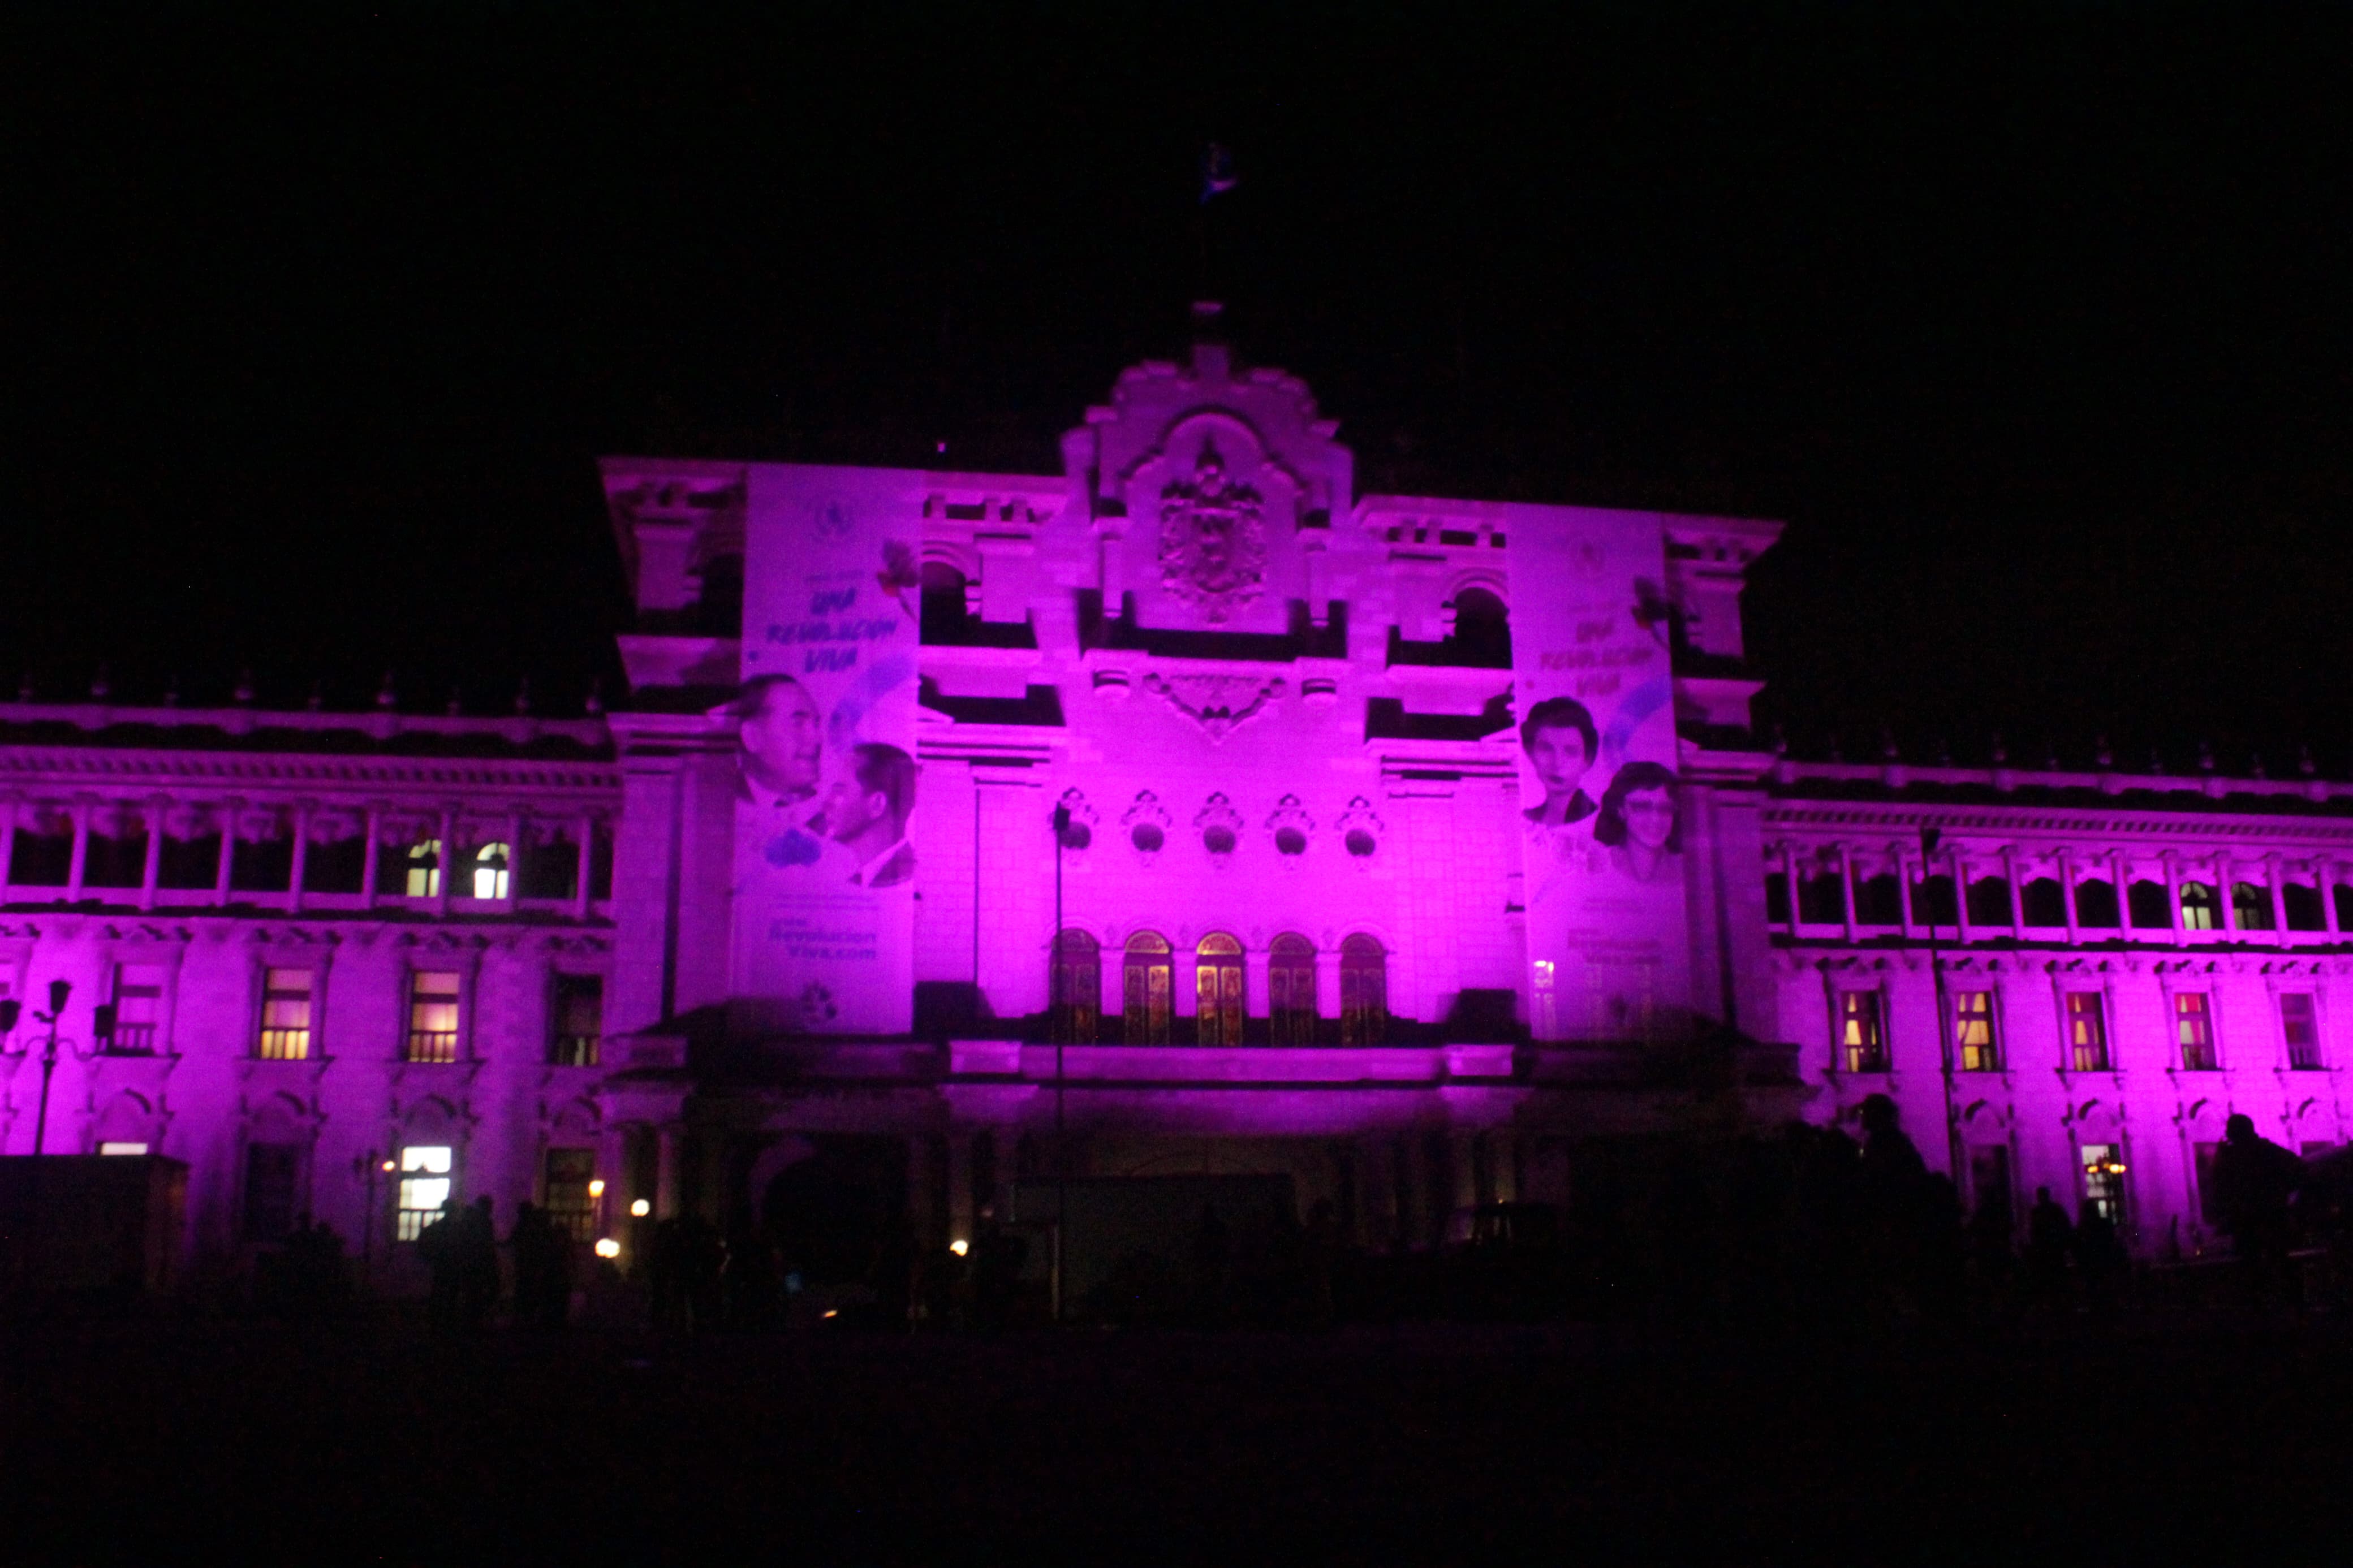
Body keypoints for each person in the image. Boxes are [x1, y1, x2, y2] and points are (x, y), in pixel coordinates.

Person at [2209, 1111, 2303, 1307]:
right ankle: (2292, 1308)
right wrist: (2283, 1197)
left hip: (2248, 1223)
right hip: (2272, 1219)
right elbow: (2299, 1169)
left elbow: (2218, 1187)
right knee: (2280, 1266)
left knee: (2253, 1272)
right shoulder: (2269, 1151)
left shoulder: (2232, 1158)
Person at [820, 741, 917, 888]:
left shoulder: (899, 879)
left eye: (839, 791)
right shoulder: (865, 880)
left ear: (877, 804)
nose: (825, 804)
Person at [736, 673, 825, 809]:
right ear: (752, 736)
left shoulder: (819, 805)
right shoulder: (719, 798)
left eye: (816, 724)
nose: (817, 739)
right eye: (798, 723)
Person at [1592, 761, 1682, 883]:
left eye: (1665, 809)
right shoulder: (1596, 865)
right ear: (1621, 810)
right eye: (1642, 807)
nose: (1656, 819)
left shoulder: (1688, 869)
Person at [1519, 697, 1600, 828]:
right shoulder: (1529, 817)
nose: (1557, 763)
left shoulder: (1597, 819)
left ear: (1587, 760)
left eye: (1571, 752)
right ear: (1531, 753)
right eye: (1546, 749)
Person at [2025, 1186, 2075, 1312]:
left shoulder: (2038, 1212)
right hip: (2054, 1249)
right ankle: (2059, 1304)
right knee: (2056, 1277)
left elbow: (2034, 1232)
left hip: (2045, 1251)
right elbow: (2066, 1227)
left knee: (2048, 1278)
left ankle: (2051, 1304)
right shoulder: (2055, 1210)